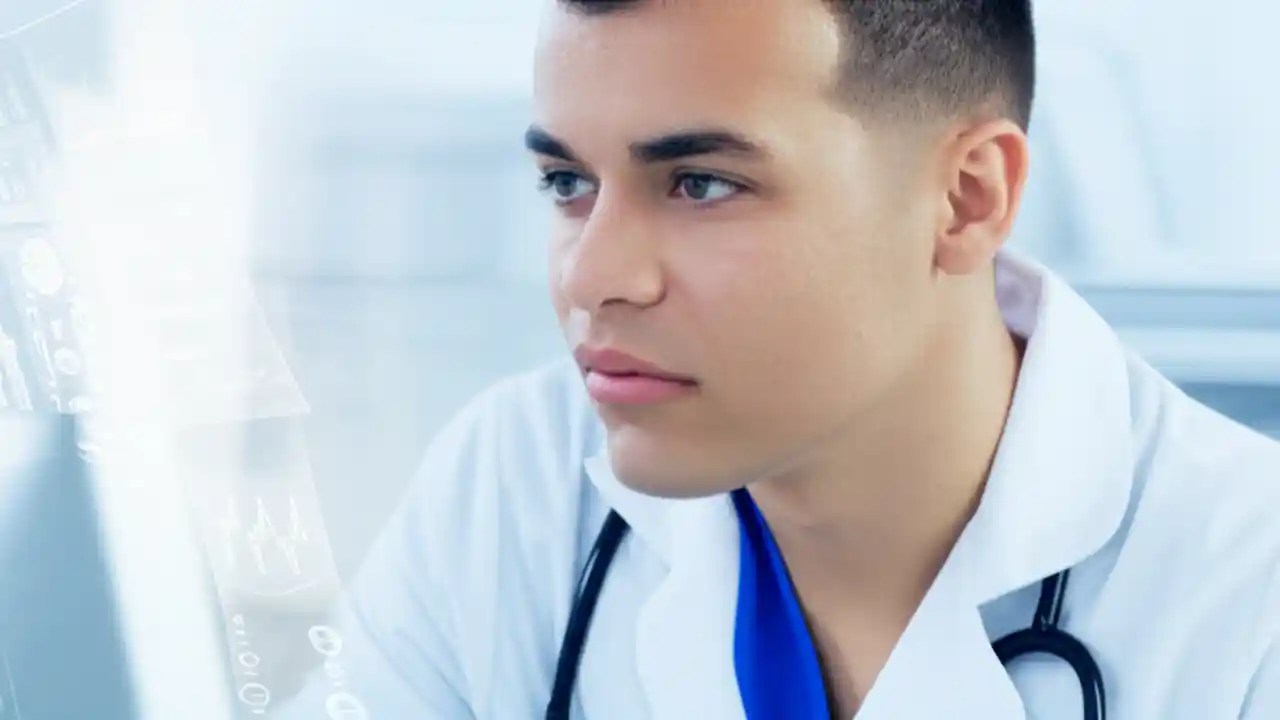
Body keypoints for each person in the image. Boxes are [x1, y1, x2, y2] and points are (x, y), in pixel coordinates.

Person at [282, 1, 1280, 718]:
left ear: (965, 198)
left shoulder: (1246, 596)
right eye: (565, 181)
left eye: (701, 184)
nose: (594, 278)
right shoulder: (514, 479)